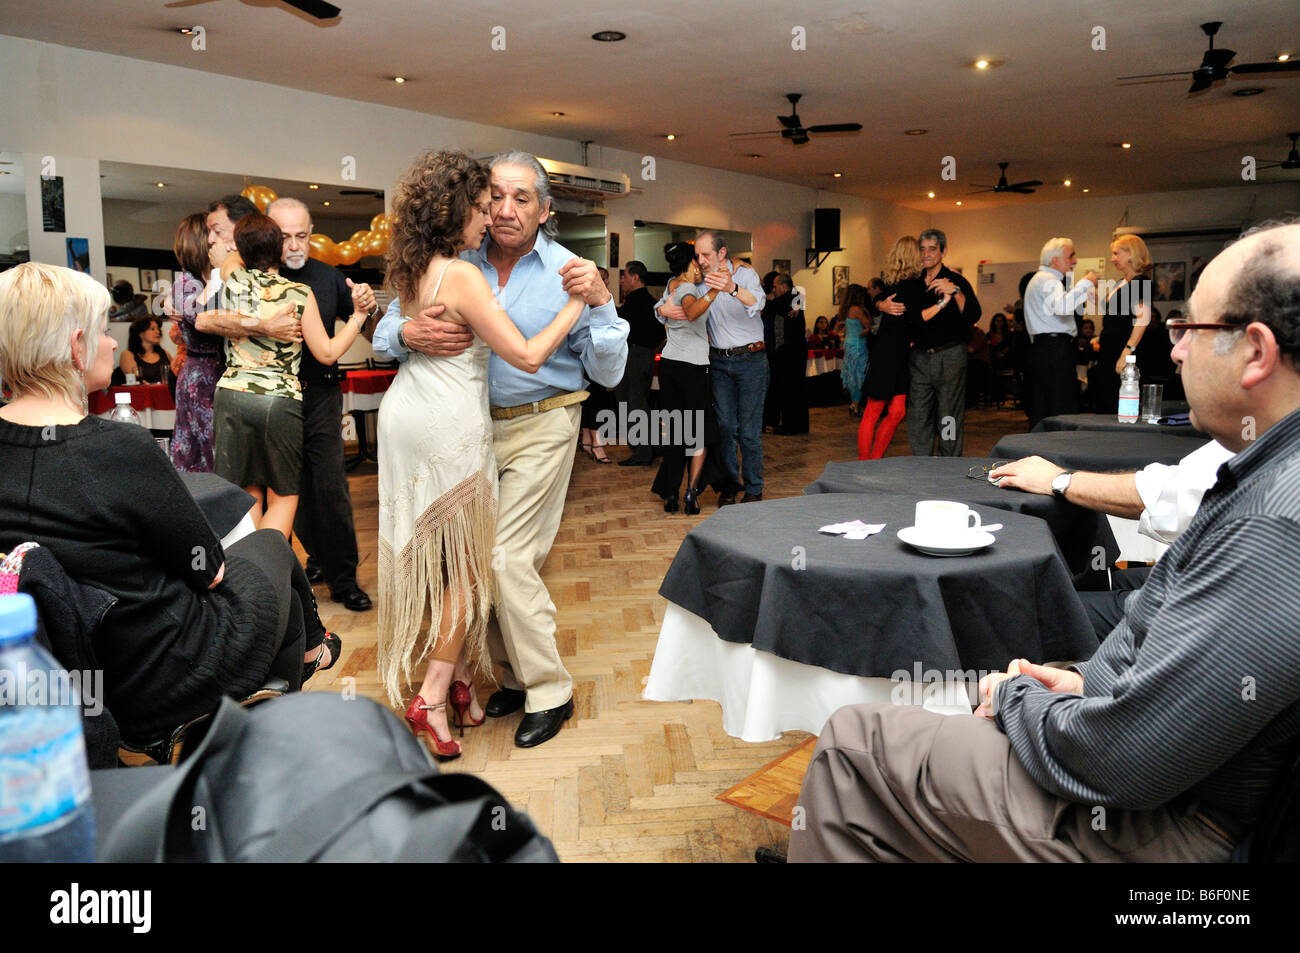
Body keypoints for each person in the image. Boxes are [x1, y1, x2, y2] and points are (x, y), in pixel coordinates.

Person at [789, 220, 1300, 862]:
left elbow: (1125, 758)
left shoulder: (1273, 524)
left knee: (848, 746)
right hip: (1167, 779)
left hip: (1173, 825)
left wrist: (1018, 697)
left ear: (1255, 352)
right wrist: (1082, 680)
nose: (1173, 351)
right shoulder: (1269, 476)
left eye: (1187, 331)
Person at [0, 263, 343, 743]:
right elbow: (210, 569)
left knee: (275, 587)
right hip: (163, 672)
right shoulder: (119, 447)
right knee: (270, 547)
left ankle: (306, 656)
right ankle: (299, 681)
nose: (112, 343)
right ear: (76, 347)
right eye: (102, 331)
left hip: (67, 681)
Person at [372, 150, 628, 748]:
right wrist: (406, 333)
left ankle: (550, 691)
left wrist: (603, 301)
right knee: (475, 556)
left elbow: (609, 372)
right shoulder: (460, 258)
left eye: (520, 199)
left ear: (545, 209)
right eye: (495, 198)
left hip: (544, 422)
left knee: (507, 559)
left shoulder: (571, 271)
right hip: (468, 428)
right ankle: (505, 677)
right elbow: (390, 329)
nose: (504, 211)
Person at [213, 213, 370, 540]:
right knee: (284, 493)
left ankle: (250, 576)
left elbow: (229, 260)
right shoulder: (299, 293)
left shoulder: (234, 281)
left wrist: (242, 248)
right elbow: (326, 353)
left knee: (247, 490)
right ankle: (270, 573)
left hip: (231, 394)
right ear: (280, 250)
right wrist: (358, 318)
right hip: (278, 400)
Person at [990, 436, 1235, 638]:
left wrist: (1058, 480)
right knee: (1084, 583)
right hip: (1216, 575)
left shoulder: (1255, 443)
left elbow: (1166, 496)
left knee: (1023, 613)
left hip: (1222, 611)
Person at [266, 197, 378, 613]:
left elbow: (371, 322)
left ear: (311, 235)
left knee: (329, 487)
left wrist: (369, 303)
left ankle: (344, 579)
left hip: (320, 395)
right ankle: (317, 558)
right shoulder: (258, 278)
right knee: (288, 488)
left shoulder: (329, 277)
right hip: (276, 397)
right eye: (284, 237)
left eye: (302, 236)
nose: (294, 246)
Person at [661, 230, 765, 504]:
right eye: (698, 256)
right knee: (725, 428)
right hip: (718, 361)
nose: (701, 260)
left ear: (722, 253)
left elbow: (758, 302)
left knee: (750, 431)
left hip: (750, 360)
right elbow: (669, 300)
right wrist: (660, 311)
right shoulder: (698, 282)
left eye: (706, 255)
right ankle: (730, 487)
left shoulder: (745, 274)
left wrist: (730, 288)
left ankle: (754, 487)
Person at [888, 228, 981, 455]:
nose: (926, 254)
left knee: (948, 414)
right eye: (922, 249)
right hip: (919, 357)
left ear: (943, 251)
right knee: (919, 413)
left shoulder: (956, 281)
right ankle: (922, 462)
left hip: (950, 356)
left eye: (932, 249)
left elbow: (973, 315)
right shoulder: (912, 284)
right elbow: (887, 300)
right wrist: (881, 305)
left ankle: (948, 460)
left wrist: (956, 293)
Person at [651, 241, 722, 514]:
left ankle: (671, 492)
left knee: (675, 430)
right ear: (691, 263)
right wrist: (716, 290)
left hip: (670, 367)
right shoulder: (690, 288)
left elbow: (660, 311)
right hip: (692, 368)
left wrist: (660, 311)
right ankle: (691, 493)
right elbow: (692, 311)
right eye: (698, 261)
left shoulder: (671, 284)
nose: (701, 267)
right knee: (699, 434)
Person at [165, 213, 227, 473]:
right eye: (213, 234)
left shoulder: (221, 278)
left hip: (226, 372)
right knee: (205, 451)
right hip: (201, 377)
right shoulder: (185, 283)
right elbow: (198, 316)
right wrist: (216, 275)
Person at [1022, 238, 1098, 428]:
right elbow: (1063, 307)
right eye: (1071, 256)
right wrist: (1086, 283)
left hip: (1044, 348)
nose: (1075, 261)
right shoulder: (1048, 280)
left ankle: (1039, 452)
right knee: (1061, 406)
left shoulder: (1041, 280)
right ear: (1055, 260)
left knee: (1044, 405)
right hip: (1054, 350)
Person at [859, 238, 924, 460]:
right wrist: (879, 304)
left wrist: (878, 304)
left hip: (902, 355)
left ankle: (874, 459)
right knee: (874, 410)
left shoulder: (909, 284)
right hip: (887, 353)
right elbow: (870, 300)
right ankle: (864, 463)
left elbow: (873, 300)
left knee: (897, 411)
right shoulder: (904, 285)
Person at [1093, 234, 1154, 414]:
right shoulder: (1121, 282)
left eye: (1116, 253)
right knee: (1106, 398)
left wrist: (1127, 351)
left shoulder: (1140, 282)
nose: (1112, 259)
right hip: (1110, 349)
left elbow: (1142, 319)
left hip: (1123, 350)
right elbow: (1117, 315)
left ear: (1130, 254)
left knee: (1118, 402)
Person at [615, 260, 663, 467]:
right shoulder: (653, 302)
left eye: (624, 276)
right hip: (647, 355)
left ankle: (642, 451)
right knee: (641, 403)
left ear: (635, 278)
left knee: (633, 403)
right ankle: (650, 448)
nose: (622, 280)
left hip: (634, 356)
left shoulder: (634, 302)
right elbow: (660, 332)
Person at [762, 272, 808, 436]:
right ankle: (797, 425)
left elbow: (771, 307)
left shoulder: (790, 297)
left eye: (775, 286)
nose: (774, 290)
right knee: (794, 388)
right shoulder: (793, 298)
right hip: (794, 351)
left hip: (790, 351)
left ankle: (791, 426)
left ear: (782, 285)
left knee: (790, 389)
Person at [838, 285, 871, 416]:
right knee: (860, 374)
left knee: (851, 374)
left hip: (849, 344)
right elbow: (868, 326)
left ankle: (854, 403)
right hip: (859, 345)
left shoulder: (845, 310)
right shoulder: (857, 309)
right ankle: (856, 404)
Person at [119, 315, 175, 392]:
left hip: (166, 395)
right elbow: (134, 382)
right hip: (142, 398)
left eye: (158, 328)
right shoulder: (128, 354)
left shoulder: (165, 353)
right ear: (140, 333)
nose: (158, 332)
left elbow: (176, 375)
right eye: (152, 329)